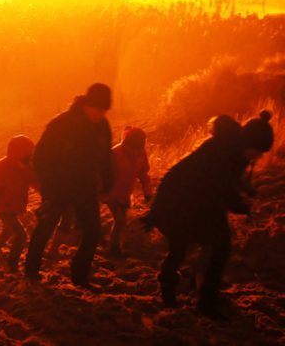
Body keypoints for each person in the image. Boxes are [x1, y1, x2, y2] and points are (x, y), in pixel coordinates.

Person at [142, 111, 274, 319]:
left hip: (200, 202)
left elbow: (226, 183)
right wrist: (240, 205)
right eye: (257, 151)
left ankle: (205, 294)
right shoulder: (221, 151)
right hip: (179, 202)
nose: (257, 157)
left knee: (216, 246)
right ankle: (176, 291)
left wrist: (244, 194)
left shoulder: (235, 152)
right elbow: (216, 184)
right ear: (248, 143)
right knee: (182, 247)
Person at [24, 83, 114, 287]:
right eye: (97, 109)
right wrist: (50, 189)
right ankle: (31, 271)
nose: (100, 114)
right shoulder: (61, 124)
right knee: (45, 228)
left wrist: (107, 182)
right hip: (59, 188)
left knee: (93, 232)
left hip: (86, 187)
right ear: (86, 104)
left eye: (104, 110)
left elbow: (105, 157)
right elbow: (40, 158)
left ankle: (79, 276)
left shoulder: (102, 127)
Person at [0, 135, 36, 271]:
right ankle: (12, 264)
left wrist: (48, 195)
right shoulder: (2, 169)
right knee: (21, 235)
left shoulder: (27, 167)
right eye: (25, 158)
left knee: (8, 231)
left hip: (16, 205)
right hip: (3, 206)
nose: (28, 161)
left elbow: (35, 182)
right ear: (15, 156)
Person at [101, 126, 152, 257]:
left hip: (125, 195)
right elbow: (103, 174)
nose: (135, 152)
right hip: (111, 193)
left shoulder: (141, 153)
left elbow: (143, 174)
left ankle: (113, 243)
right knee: (120, 220)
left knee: (122, 222)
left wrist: (148, 193)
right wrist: (101, 192)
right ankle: (113, 248)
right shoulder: (115, 154)